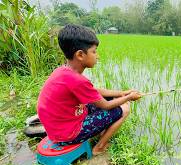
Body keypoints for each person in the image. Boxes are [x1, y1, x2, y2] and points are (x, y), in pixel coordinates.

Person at [37, 24, 141, 155]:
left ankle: (101, 131)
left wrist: (122, 93)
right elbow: (106, 105)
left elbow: (94, 91)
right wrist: (128, 97)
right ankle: (99, 147)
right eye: (94, 51)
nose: (97, 56)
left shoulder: (64, 71)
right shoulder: (77, 80)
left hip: (58, 127)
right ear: (80, 55)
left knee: (113, 98)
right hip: (66, 135)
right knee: (125, 108)